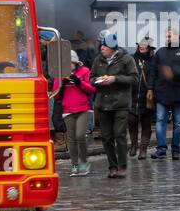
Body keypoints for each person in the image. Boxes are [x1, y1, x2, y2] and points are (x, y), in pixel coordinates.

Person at [89, 32, 137, 178]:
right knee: (107, 137)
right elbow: (91, 78)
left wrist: (115, 79)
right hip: (102, 104)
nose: (101, 48)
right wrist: (97, 80)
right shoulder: (98, 60)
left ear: (112, 47)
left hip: (120, 104)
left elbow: (134, 79)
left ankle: (122, 166)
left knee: (119, 135)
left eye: (104, 45)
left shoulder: (127, 59)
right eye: (101, 45)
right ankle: (112, 166)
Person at [150, 29, 180, 160]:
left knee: (178, 124)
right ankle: (161, 150)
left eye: (170, 35)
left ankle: (176, 150)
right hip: (162, 92)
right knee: (160, 121)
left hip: (179, 93)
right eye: (166, 36)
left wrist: (173, 72)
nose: (167, 38)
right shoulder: (160, 52)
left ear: (177, 36)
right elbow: (153, 71)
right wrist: (150, 88)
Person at [59, 48, 95, 176]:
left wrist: (78, 82)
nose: (68, 65)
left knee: (80, 135)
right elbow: (56, 95)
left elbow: (91, 89)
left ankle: (84, 161)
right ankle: (74, 164)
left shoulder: (84, 71)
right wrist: (62, 85)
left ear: (75, 62)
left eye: (71, 63)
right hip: (68, 110)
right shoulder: (61, 73)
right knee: (72, 139)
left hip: (83, 109)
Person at [127, 37, 154, 159]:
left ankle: (143, 149)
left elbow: (155, 76)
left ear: (149, 48)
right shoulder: (132, 59)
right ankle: (133, 145)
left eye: (145, 45)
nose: (142, 47)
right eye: (140, 45)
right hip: (132, 95)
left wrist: (151, 88)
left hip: (147, 95)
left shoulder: (153, 61)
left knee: (146, 123)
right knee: (132, 121)